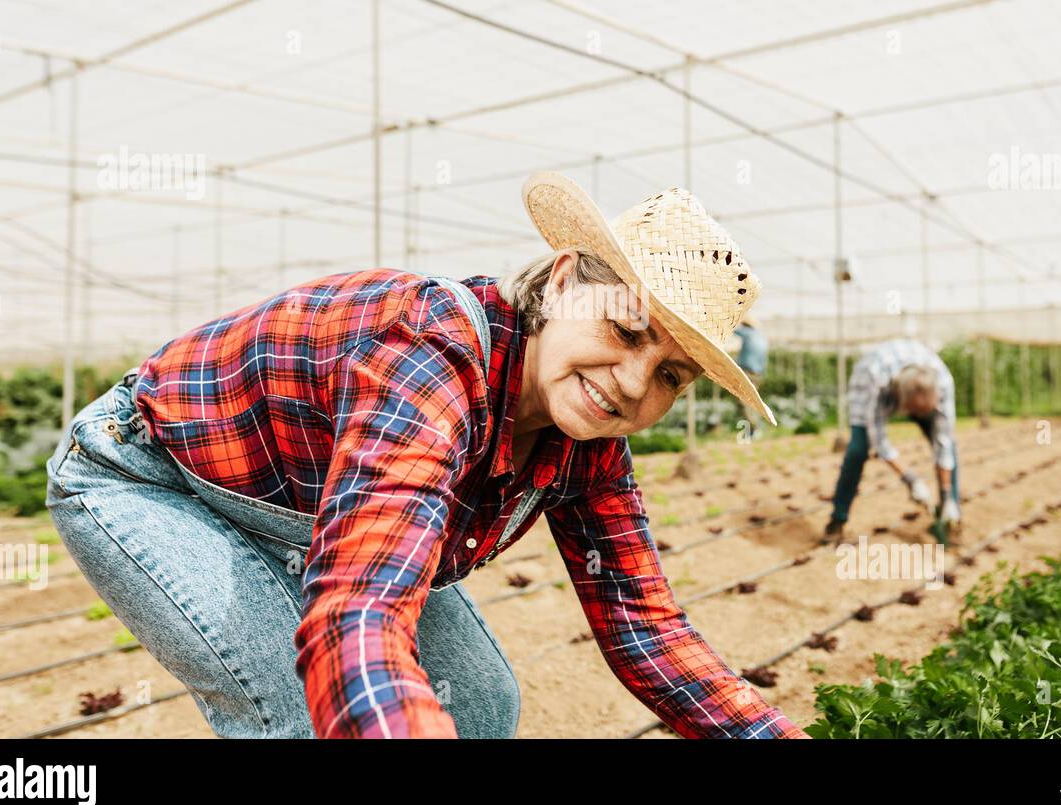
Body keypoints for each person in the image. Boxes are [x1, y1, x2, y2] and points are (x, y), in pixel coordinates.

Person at [44, 171, 809, 740]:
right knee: (300, 709)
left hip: (300, 506)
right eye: (628, 331)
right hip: (149, 473)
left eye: (669, 375)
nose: (634, 383)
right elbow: (361, 613)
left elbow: (646, 631)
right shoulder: (432, 355)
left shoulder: (588, 447)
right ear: (569, 279)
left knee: (478, 703)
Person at [822, 338, 961, 543]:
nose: (919, 417)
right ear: (900, 402)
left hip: (914, 380)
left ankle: (950, 514)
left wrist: (948, 495)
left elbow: (944, 443)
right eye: (914, 412)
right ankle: (837, 520)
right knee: (858, 449)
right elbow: (878, 440)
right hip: (868, 380)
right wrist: (910, 479)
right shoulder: (875, 380)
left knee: (949, 447)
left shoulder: (943, 382)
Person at [733, 314, 769, 441]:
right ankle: (753, 430)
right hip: (757, 373)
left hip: (747, 372)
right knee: (753, 401)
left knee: (743, 401)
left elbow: (733, 330)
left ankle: (754, 428)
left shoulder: (748, 334)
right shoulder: (761, 338)